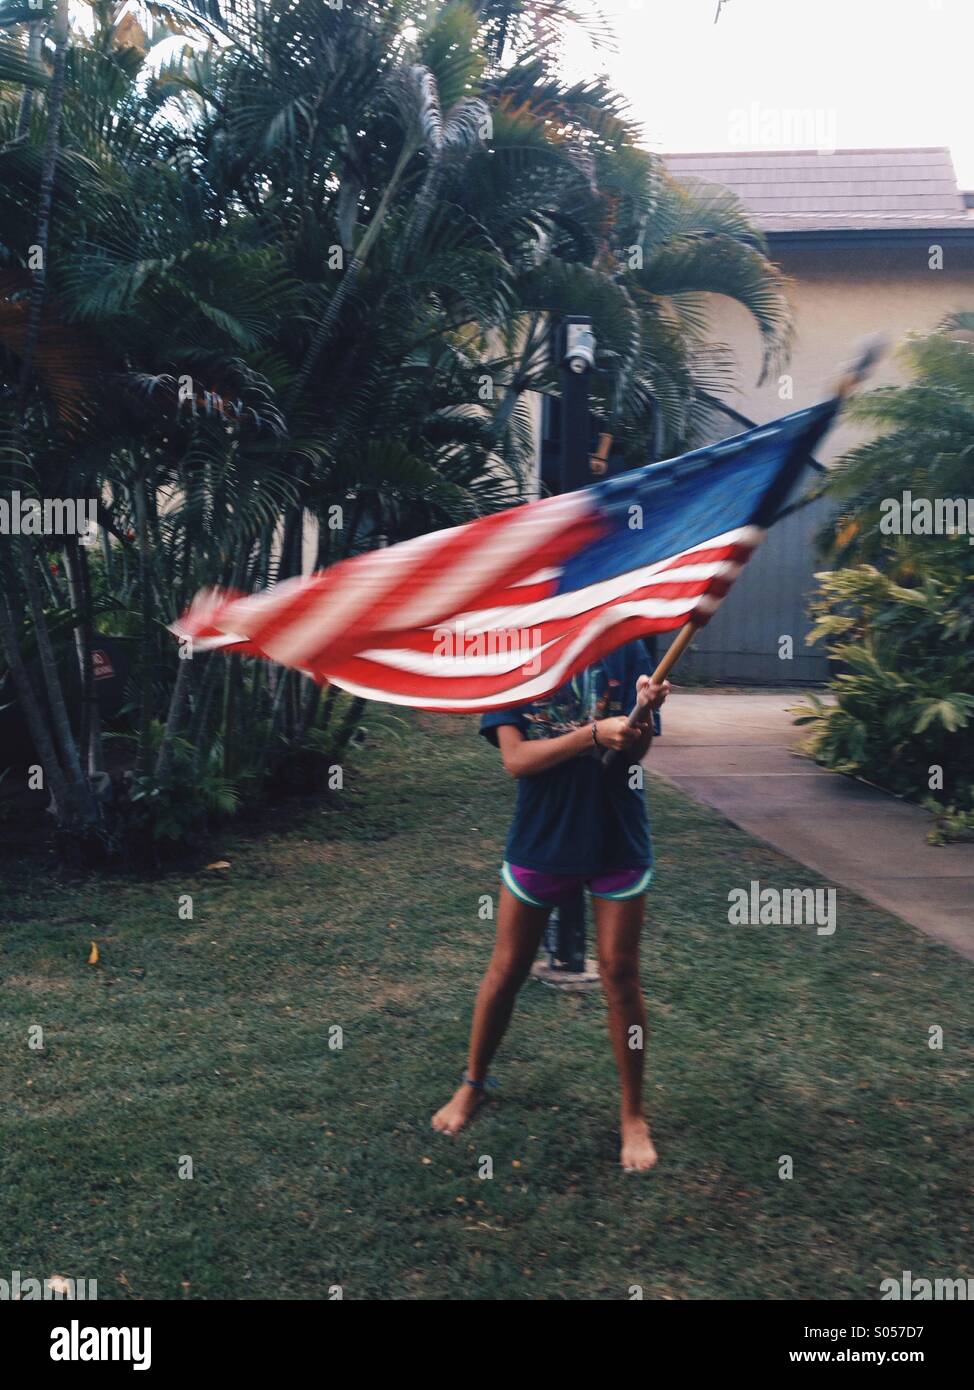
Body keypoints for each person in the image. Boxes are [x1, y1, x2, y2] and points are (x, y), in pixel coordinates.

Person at [432, 642, 670, 1172]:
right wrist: (590, 733)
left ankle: (633, 1115)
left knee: (621, 974)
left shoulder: (628, 647)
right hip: (543, 840)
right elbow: (516, 760)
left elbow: (636, 753)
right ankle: (473, 1083)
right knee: (507, 968)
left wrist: (644, 715)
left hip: (617, 838)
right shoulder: (517, 654)